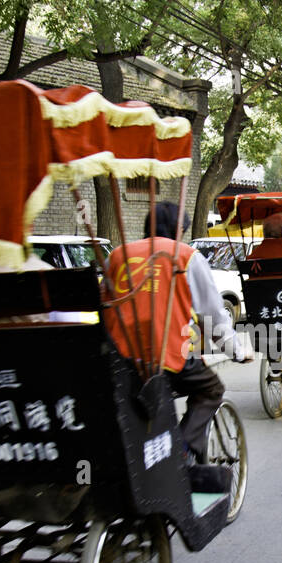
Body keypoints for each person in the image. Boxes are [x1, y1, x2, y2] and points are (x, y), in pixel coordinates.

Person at [104, 202, 248, 484]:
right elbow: (214, 317)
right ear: (178, 230)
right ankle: (181, 452)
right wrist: (237, 352)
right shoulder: (186, 257)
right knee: (211, 389)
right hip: (165, 358)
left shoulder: (116, 257)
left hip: (117, 361)